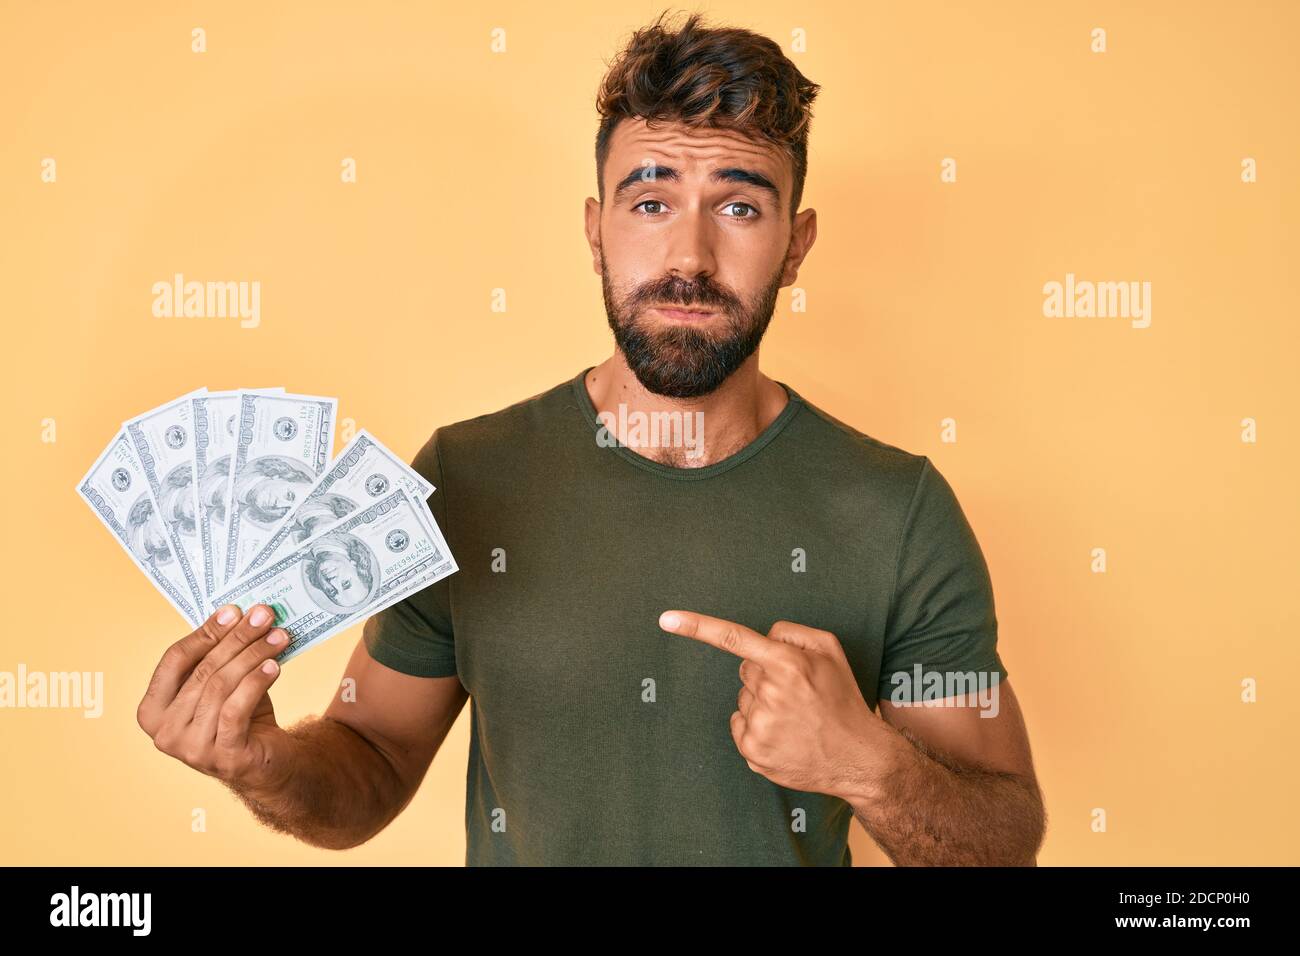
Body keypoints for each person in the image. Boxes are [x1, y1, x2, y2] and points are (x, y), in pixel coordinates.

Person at [137, 9, 1045, 866]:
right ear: (595, 232)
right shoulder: (465, 479)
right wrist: (257, 760)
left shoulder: (899, 512)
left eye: (739, 207)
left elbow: (1004, 838)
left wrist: (864, 764)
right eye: (650, 203)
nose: (689, 257)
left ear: (796, 245)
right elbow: (370, 761)